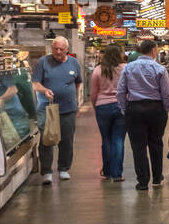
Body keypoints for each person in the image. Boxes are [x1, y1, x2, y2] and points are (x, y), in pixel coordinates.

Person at [116, 39, 169, 191]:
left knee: (138, 147)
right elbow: (167, 94)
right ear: (153, 51)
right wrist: (165, 110)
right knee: (156, 143)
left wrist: (124, 109)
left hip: (134, 109)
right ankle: (156, 178)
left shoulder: (128, 68)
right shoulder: (159, 69)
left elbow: (121, 91)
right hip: (155, 109)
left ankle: (142, 182)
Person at [31, 36, 82, 183]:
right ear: (51, 48)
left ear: (67, 49)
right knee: (47, 140)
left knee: (67, 141)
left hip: (68, 109)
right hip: (47, 108)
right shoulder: (43, 62)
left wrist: (71, 96)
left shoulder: (74, 63)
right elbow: (35, 83)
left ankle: (63, 168)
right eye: (55, 49)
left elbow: (77, 83)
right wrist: (45, 90)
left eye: (61, 49)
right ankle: (46, 171)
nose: (58, 52)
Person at [90, 45, 127, 182]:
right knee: (118, 140)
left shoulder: (98, 70)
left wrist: (95, 106)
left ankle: (107, 171)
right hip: (121, 107)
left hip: (102, 107)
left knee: (106, 140)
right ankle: (117, 174)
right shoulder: (125, 69)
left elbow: (93, 93)